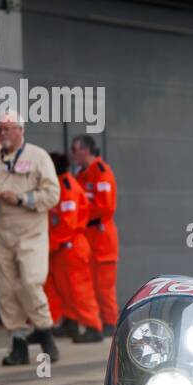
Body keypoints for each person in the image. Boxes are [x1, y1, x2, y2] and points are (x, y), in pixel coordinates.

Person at [0, 113, 62, 364]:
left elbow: (53, 194)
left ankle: (45, 332)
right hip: (1, 233)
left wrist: (21, 198)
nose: (4, 133)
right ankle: (18, 343)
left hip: (31, 231)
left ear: (21, 130)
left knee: (30, 282)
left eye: (9, 128)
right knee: (7, 290)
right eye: (0, 128)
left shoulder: (38, 157)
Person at [45, 152, 103, 343]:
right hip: (63, 247)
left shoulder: (67, 186)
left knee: (79, 288)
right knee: (64, 288)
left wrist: (49, 244)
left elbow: (68, 224)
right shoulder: (60, 184)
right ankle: (71, 322)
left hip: (71, 246)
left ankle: (93, 327)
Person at [71, 135, 120, 337]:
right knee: (89, 282)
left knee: (104, 285)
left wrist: (83, 213)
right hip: (87, 236)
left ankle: (110, 323)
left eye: (76, 150)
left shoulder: (101, 172)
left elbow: (105, 207)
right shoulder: (81, 174)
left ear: (86, 150)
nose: (73, 155)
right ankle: (96, 321)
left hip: (101, 236)